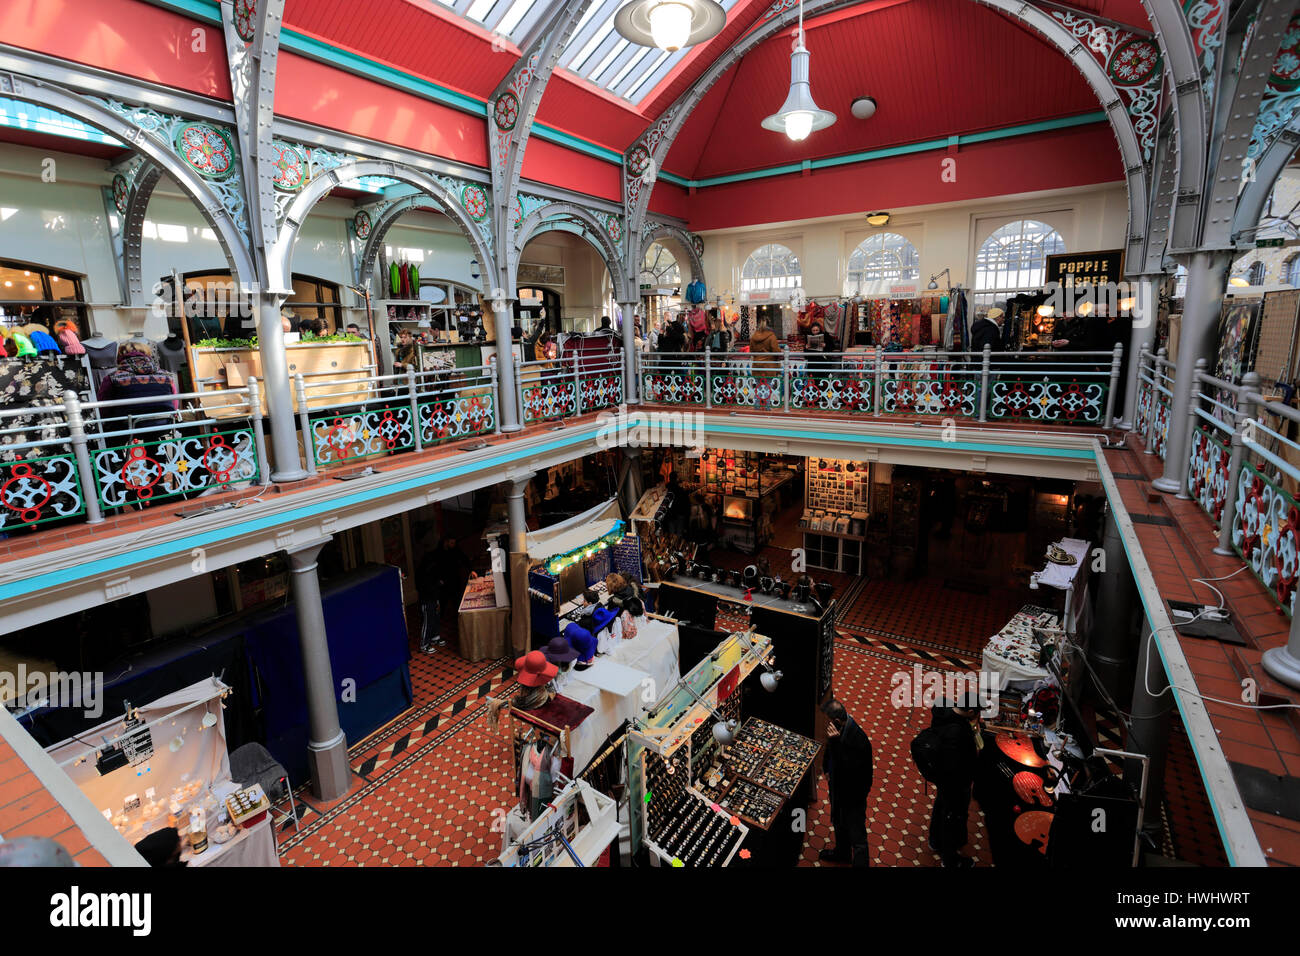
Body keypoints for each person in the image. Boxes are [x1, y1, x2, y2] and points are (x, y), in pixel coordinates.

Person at [927, 696, 982, 867]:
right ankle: (949, 859)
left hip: (942, 776)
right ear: (971, 712)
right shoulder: (960, 732)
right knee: (953, 817)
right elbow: (969, 756)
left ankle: (934, 840)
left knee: (941, 806)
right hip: (956, 781)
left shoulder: (942, 711)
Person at [820, 698, 873, 866]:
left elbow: (847, 770)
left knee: (857, 836)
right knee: (838, 823)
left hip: (852, 795)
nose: (825, 725)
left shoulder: (858, 740)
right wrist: (827, 769)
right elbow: (829, 751)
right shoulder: (837, 730)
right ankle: (842, 853)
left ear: (836, 721)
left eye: (827, 721)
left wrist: (835, 744)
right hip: (837, 788)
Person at [413, 545, 445, 653]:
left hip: (434, 597)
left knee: (435, 618)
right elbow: (423, 586)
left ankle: (435, 637)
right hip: (426, 600)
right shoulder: (422, 572)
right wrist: (436, 584)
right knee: (427, 621)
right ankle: (424, 644)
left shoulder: (432, 569)